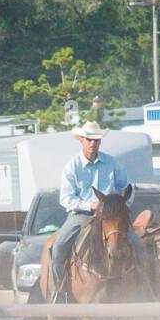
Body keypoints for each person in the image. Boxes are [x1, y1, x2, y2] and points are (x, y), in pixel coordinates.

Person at [50, 121, 131, 287]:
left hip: (110, 216)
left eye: (97, 140)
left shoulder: (112, 163)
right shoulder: (72, 167)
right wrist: (90, 205)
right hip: (81, 216)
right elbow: (65, 198)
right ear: (81, 140)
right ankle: (59, 289)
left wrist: (120, 205)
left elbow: (126, 186)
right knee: (59, 247)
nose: (93, 143)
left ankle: (146, 287)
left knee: (139, 246)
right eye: (89, 139)